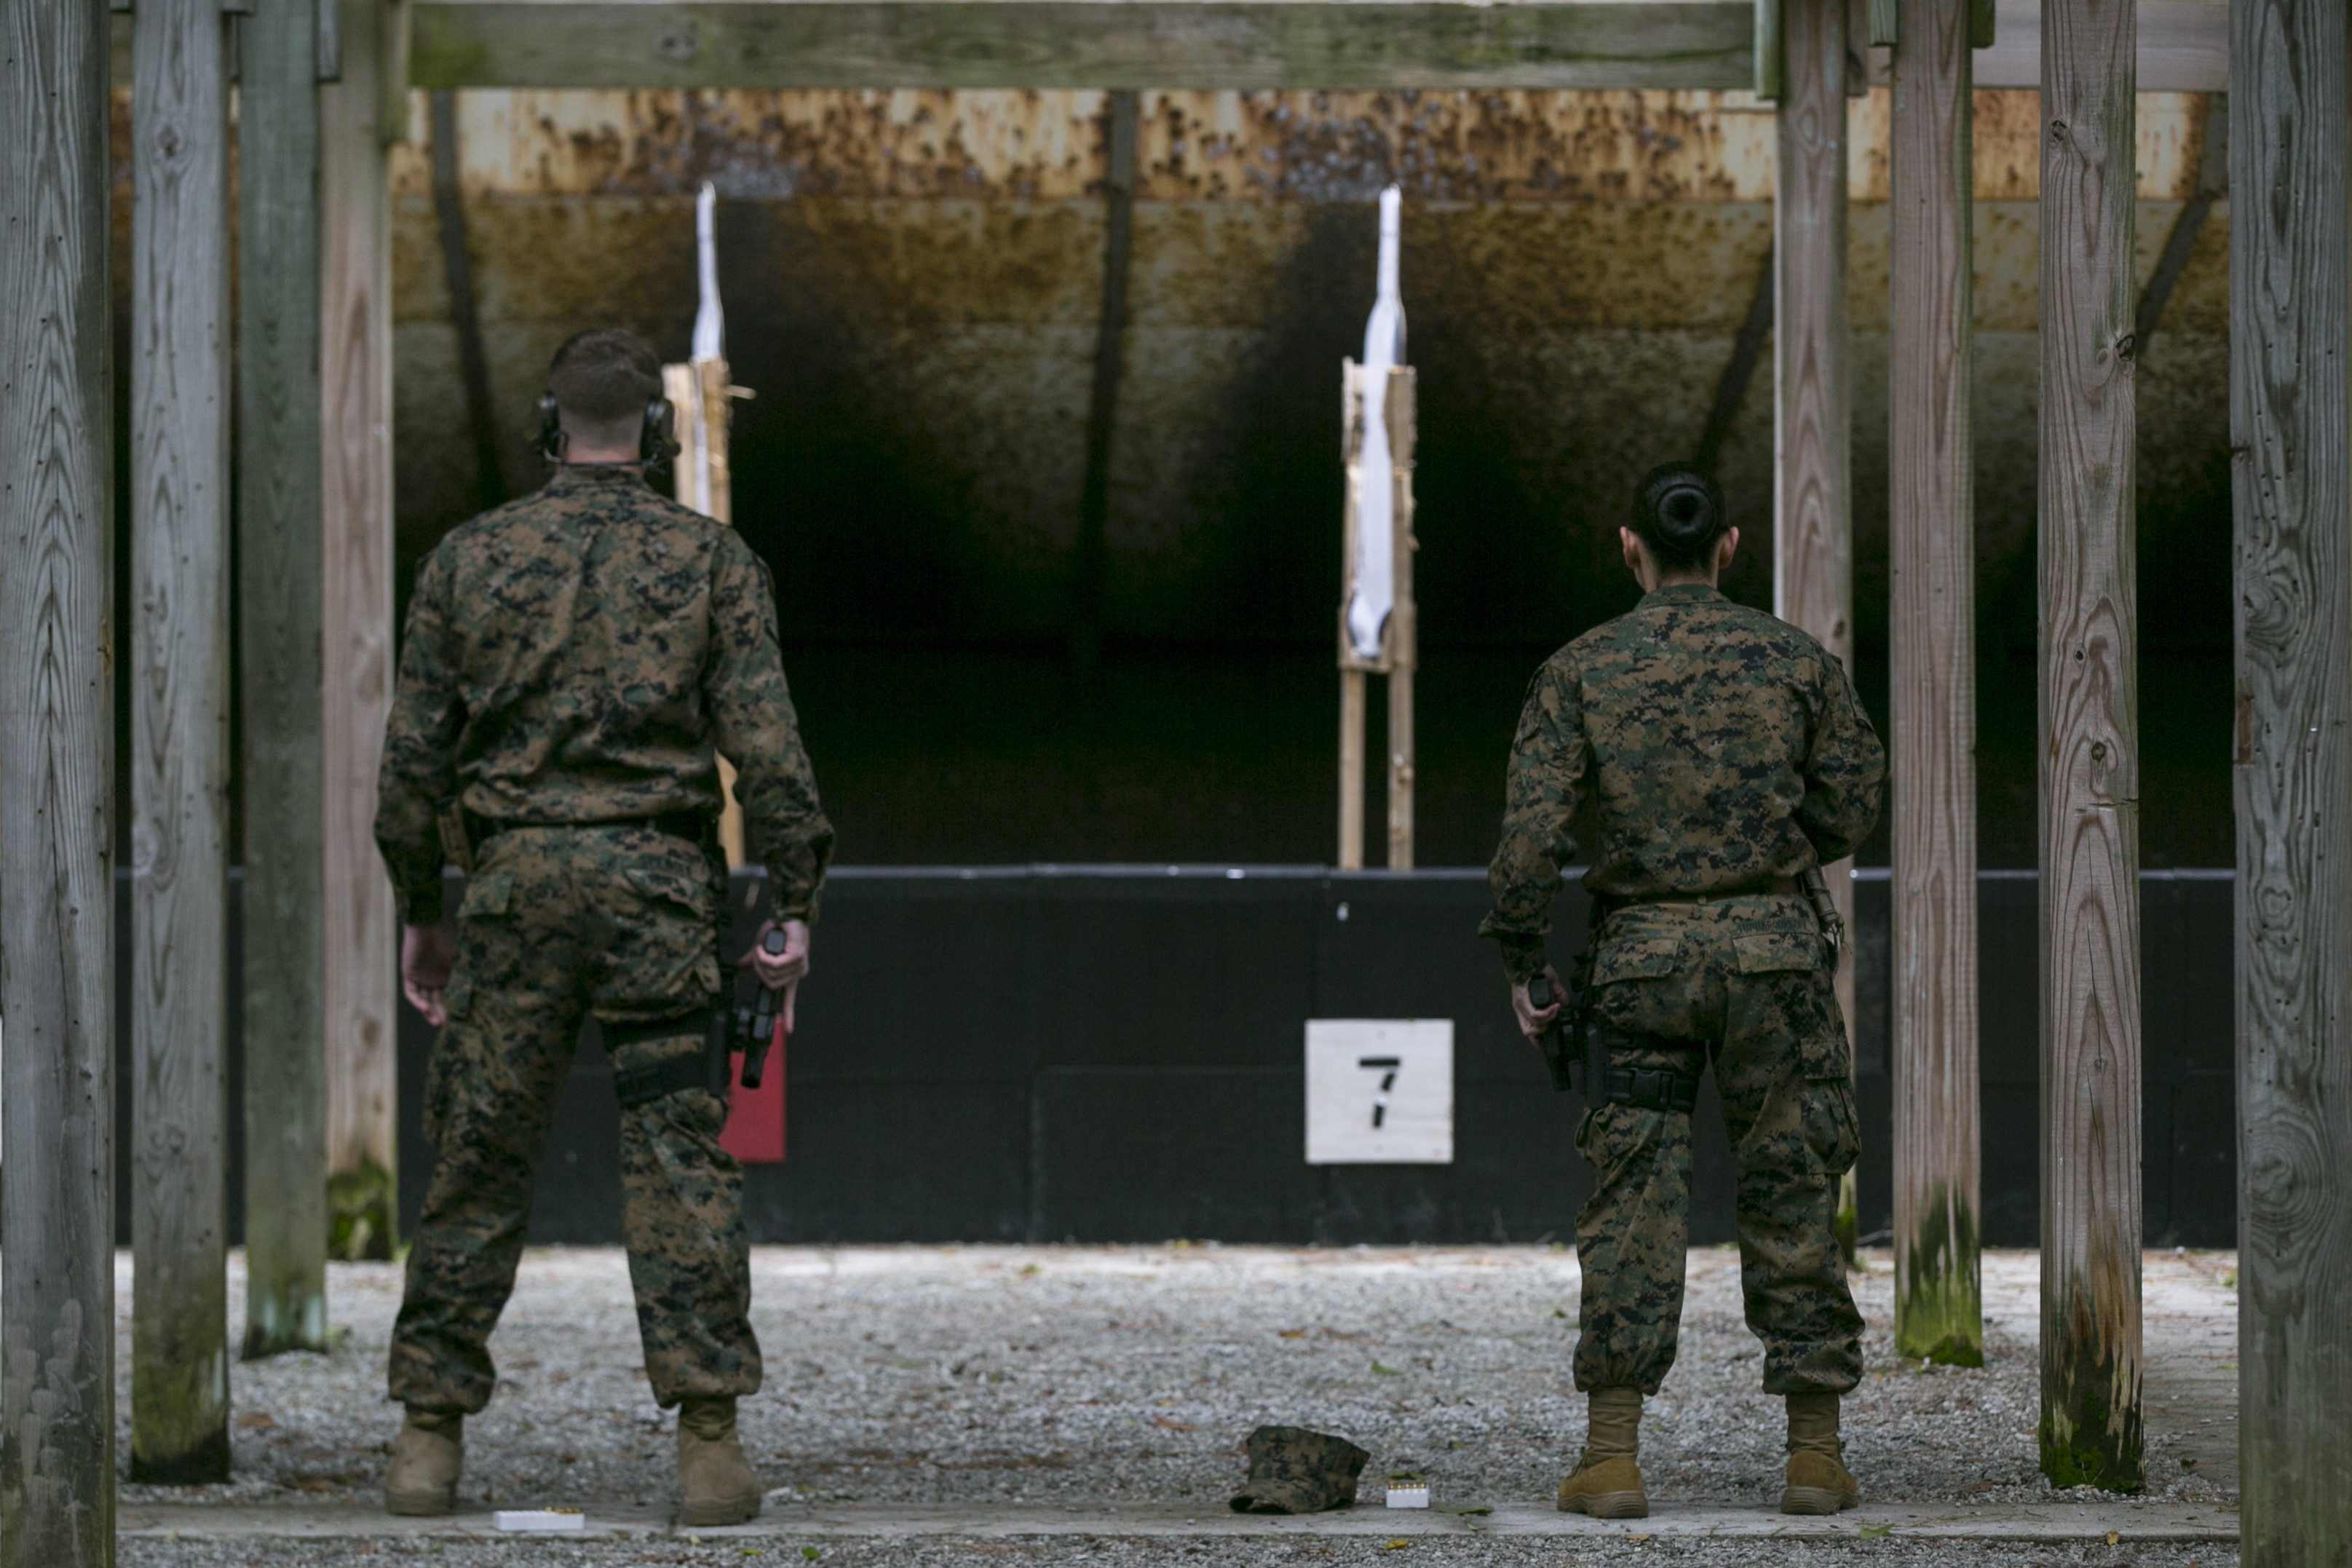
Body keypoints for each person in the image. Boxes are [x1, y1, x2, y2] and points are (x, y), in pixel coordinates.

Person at [374, 328, 834, 1524]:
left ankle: (429, 1438)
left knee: (477, 1156)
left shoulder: (468, 561)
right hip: (657, 901)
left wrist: (424, 911)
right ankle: (710, 1447)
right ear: (660, 432)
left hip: (515, 894)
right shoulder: (714, 562)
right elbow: (771, 754)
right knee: (680, 1163)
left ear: (549, 424)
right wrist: (791, 903)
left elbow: (409, 768)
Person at [1479, 463, 1885, 1520]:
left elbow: (1529, 843)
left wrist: (1527, 963)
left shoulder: (1580, 670)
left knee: (1633, 1202)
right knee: (1796, 1188)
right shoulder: (1796, 661)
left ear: (1630, 548)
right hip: (1775, 958)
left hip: (1641, 964)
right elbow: (1852, 807)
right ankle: (1813, 1455)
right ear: (1731, 547)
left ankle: (1612, 1457)